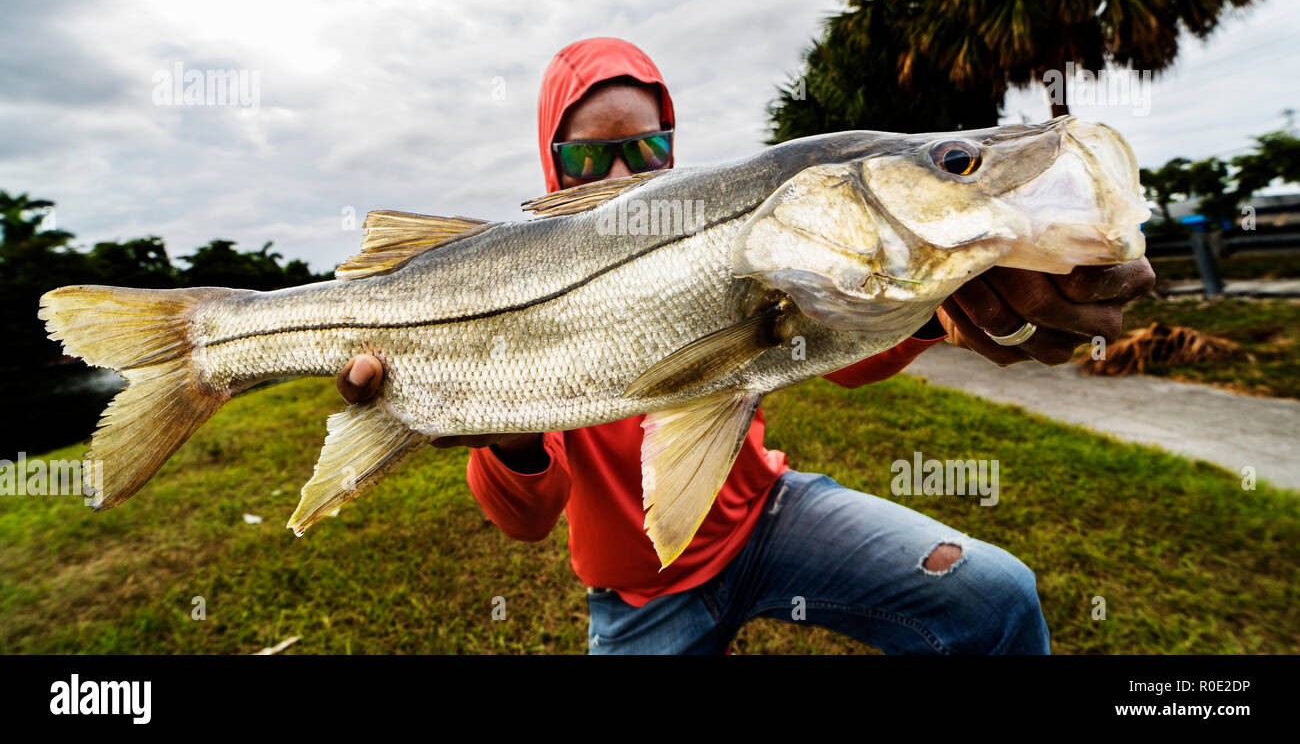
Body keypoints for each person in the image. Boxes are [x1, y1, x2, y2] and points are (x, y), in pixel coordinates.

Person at [337, 37, 1155, 654]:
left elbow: (835, 339)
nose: (624, 170)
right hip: (635, 592)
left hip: (767, 518)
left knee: (997, 599)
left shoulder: (747, 233)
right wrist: (510, 434)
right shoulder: (508, 280)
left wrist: (973, 312)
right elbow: (526, 519)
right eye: (590, 155)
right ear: (550, 163)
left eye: (648, 148)